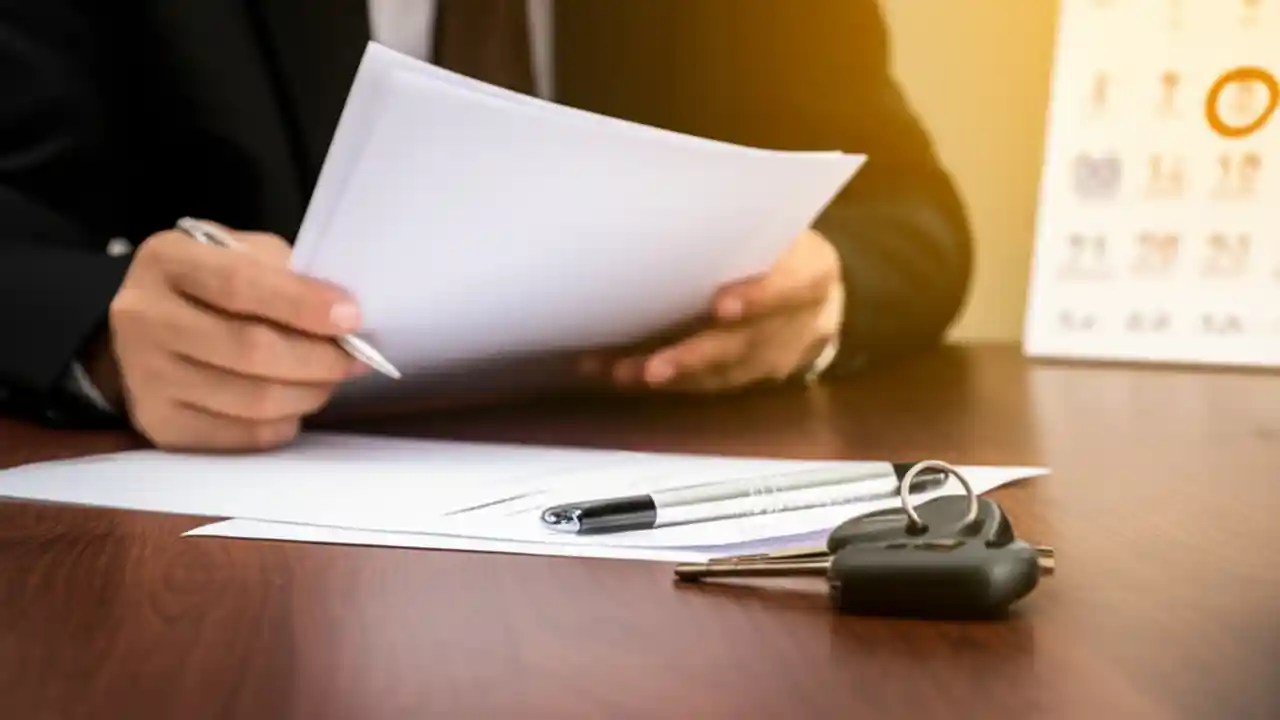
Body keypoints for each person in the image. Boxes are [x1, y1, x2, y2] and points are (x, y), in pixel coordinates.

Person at [0, 0, 971, 450]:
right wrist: (99, 332)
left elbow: (912, 215)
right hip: (219, 552)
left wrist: (820, 289)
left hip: (638, 496)